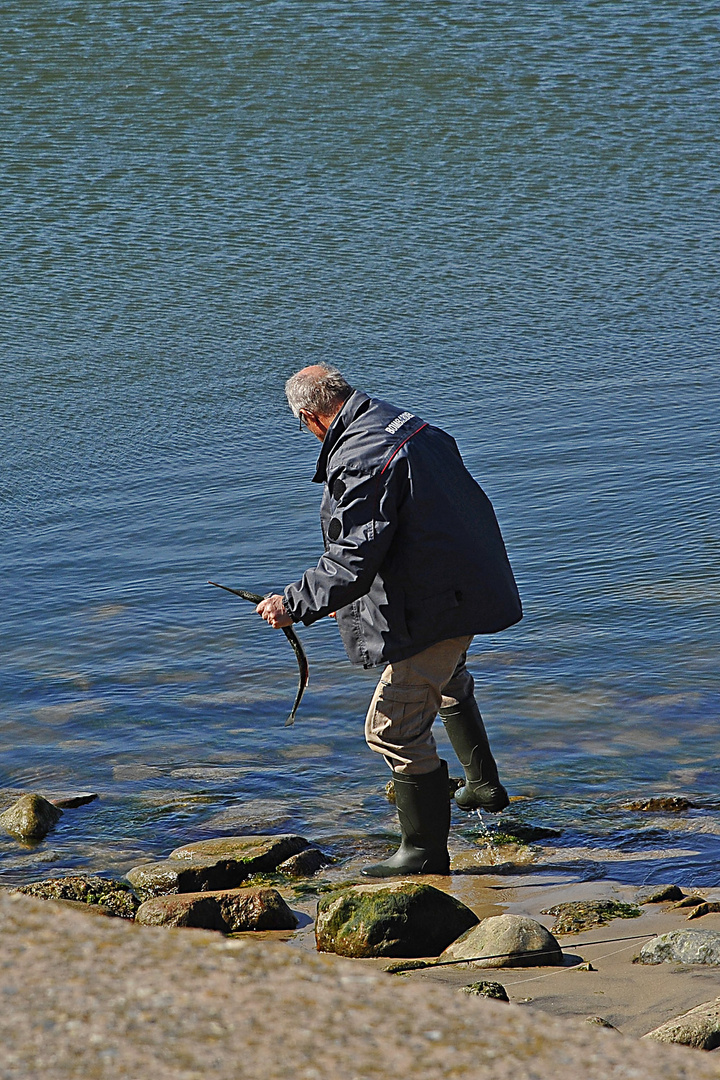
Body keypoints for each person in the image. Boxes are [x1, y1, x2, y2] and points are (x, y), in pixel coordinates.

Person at [256, 364, 522, 877]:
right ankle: (483, 786)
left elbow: (353, 557)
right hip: (467, 585)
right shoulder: (403, 421)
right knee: (446, 677)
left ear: (310, 417)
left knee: (392, 730)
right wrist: (341, 598)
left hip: (440, 602)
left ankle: (423, 853)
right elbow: (406, 528)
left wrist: (294, 602)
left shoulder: (362, 455)